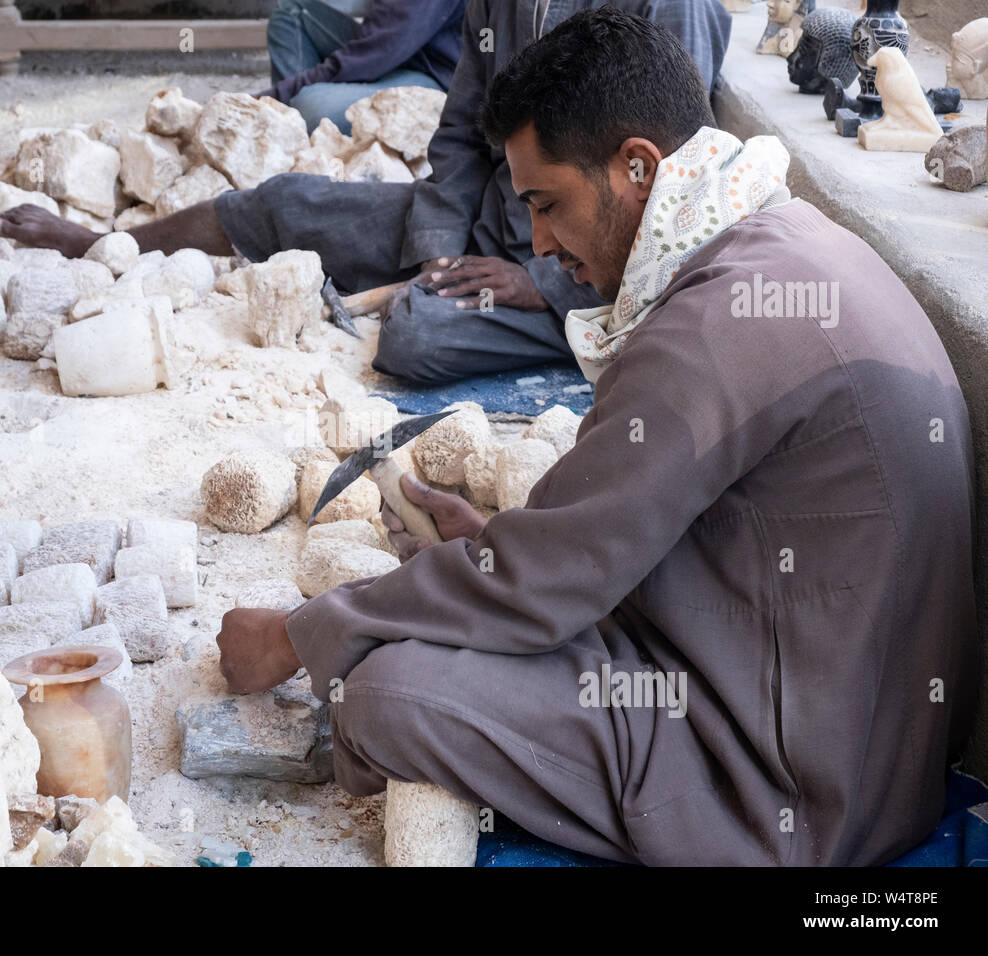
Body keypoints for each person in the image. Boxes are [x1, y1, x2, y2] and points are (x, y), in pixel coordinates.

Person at [213, 8, 979, 866]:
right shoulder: (774, 242)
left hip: (794, 794)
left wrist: (301, 634)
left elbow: (541, 589)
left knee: (384, 689)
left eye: (547, 205)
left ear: (638, 168)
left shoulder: (712, 327)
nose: (539, 242)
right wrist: (514, 550)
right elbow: (615, 549)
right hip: (843, 727)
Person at [0, 0, 733, 386]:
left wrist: (535, 282)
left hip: (592, 274)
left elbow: (675, 200)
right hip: (486, 226)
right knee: (287, 203)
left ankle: (556, 334)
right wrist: (439, 255)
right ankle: (102, 243)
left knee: (417, 333)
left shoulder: (677, 6)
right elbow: (461, 140)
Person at [262, 0, 468, 134]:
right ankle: (294, 132)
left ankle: (292, 125)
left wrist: (275, 96)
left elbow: (375, 54)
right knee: (292, 15)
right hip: (402, 49)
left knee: (309, 106)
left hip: (438, 76)